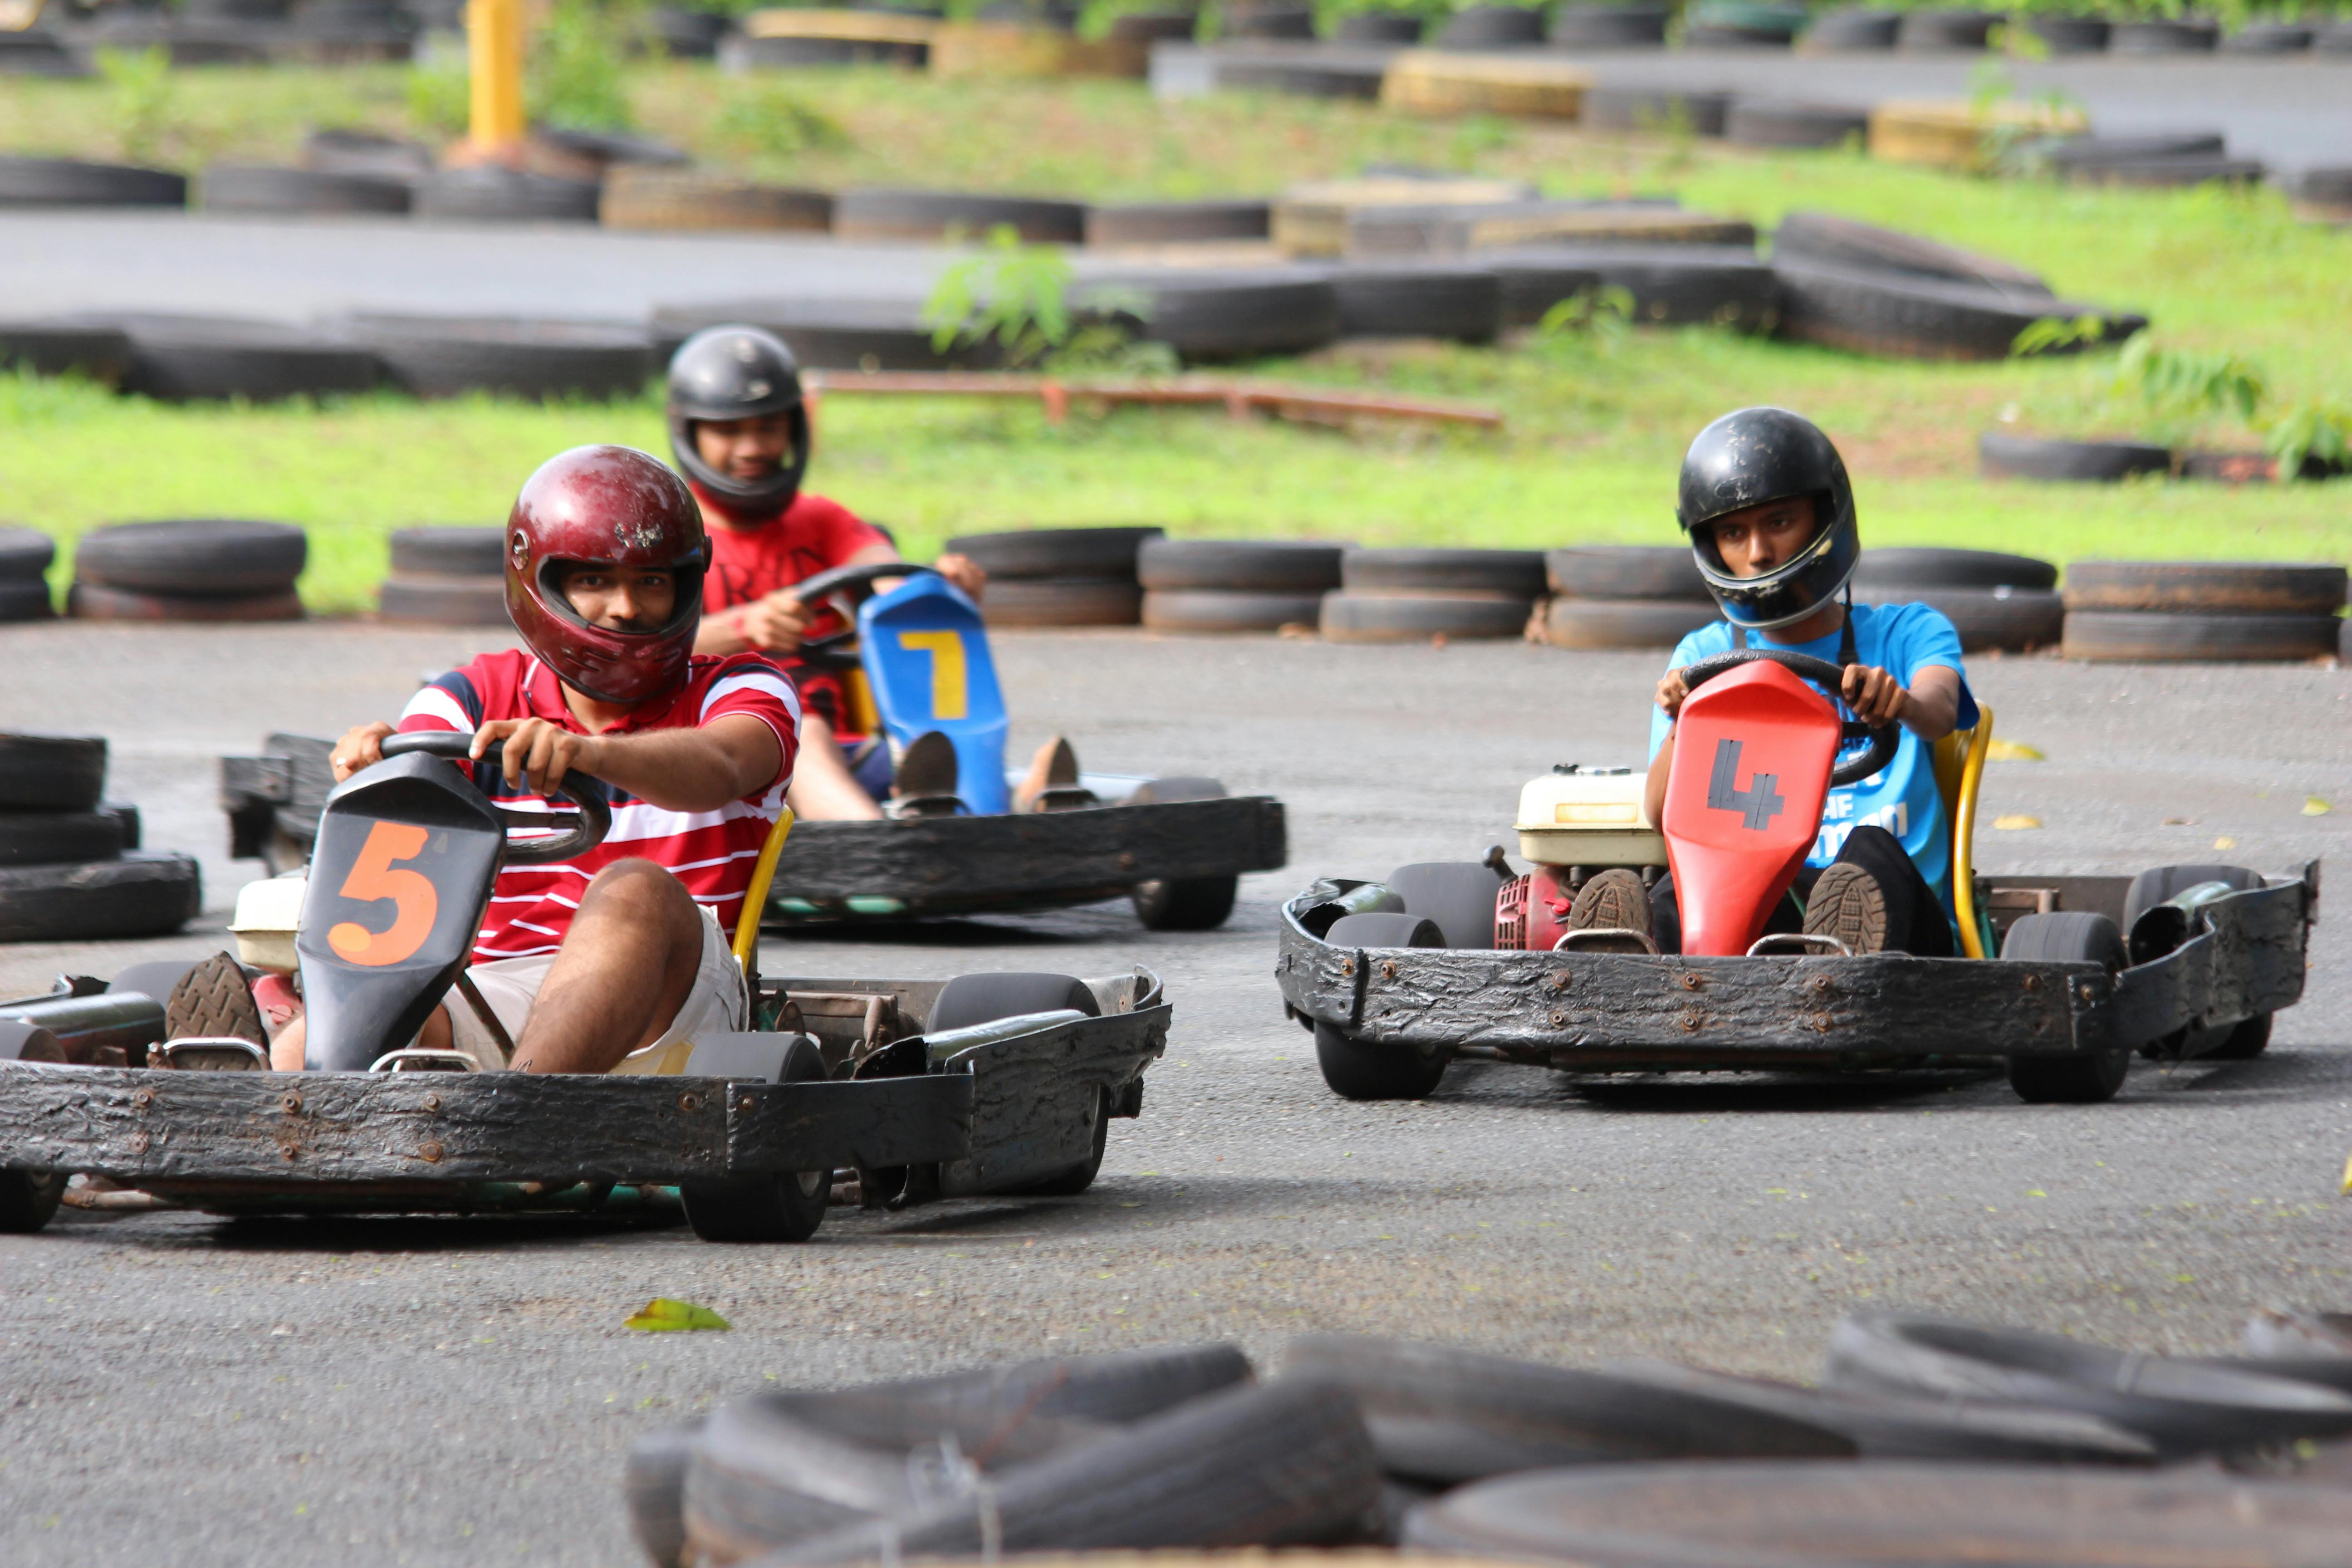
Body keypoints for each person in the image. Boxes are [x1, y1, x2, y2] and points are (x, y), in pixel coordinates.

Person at [254, 445, 800, 1074]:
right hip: (501, 995)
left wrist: (586, 754)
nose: (625, 608)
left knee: (632, 889)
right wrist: (377, 775)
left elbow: (725, 764)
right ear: (538, 581)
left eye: (651, 582)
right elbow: (405, 831)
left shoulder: (741, 688)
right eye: (595, 581)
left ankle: (520, 1129)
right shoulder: (470, 697)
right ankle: (282, 1153)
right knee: (323, 1037)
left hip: (679, 1007)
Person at [1569, 407, 1977, 956]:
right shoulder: (1704, 657)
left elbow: (1940, 708)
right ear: (1713, 548)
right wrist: (1682, 723)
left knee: (1868, 853)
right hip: (1767, 911)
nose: (1758, 553)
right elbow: (1661, 814)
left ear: (1825, 518)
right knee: (1681, 892)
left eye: (1780, 523)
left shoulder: (1908, 634)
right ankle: (1628, 974)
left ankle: (1840, 963)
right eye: (1735, 534)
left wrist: (1898, 702)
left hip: (1902, 927)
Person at [668, 324, 1014, 819]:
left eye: (768, 428)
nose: (751, 449)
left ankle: (1020, 809)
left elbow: (881, 570)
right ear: (690, 431)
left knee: (940, 743)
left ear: (794, 428)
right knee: (798, 731)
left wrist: (938, 591)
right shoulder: (669, 530)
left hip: (854, 753)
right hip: (722, 762)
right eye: (729, 431)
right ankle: (881, 854)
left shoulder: (822, 520)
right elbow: (632, 651)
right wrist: (748, 627)